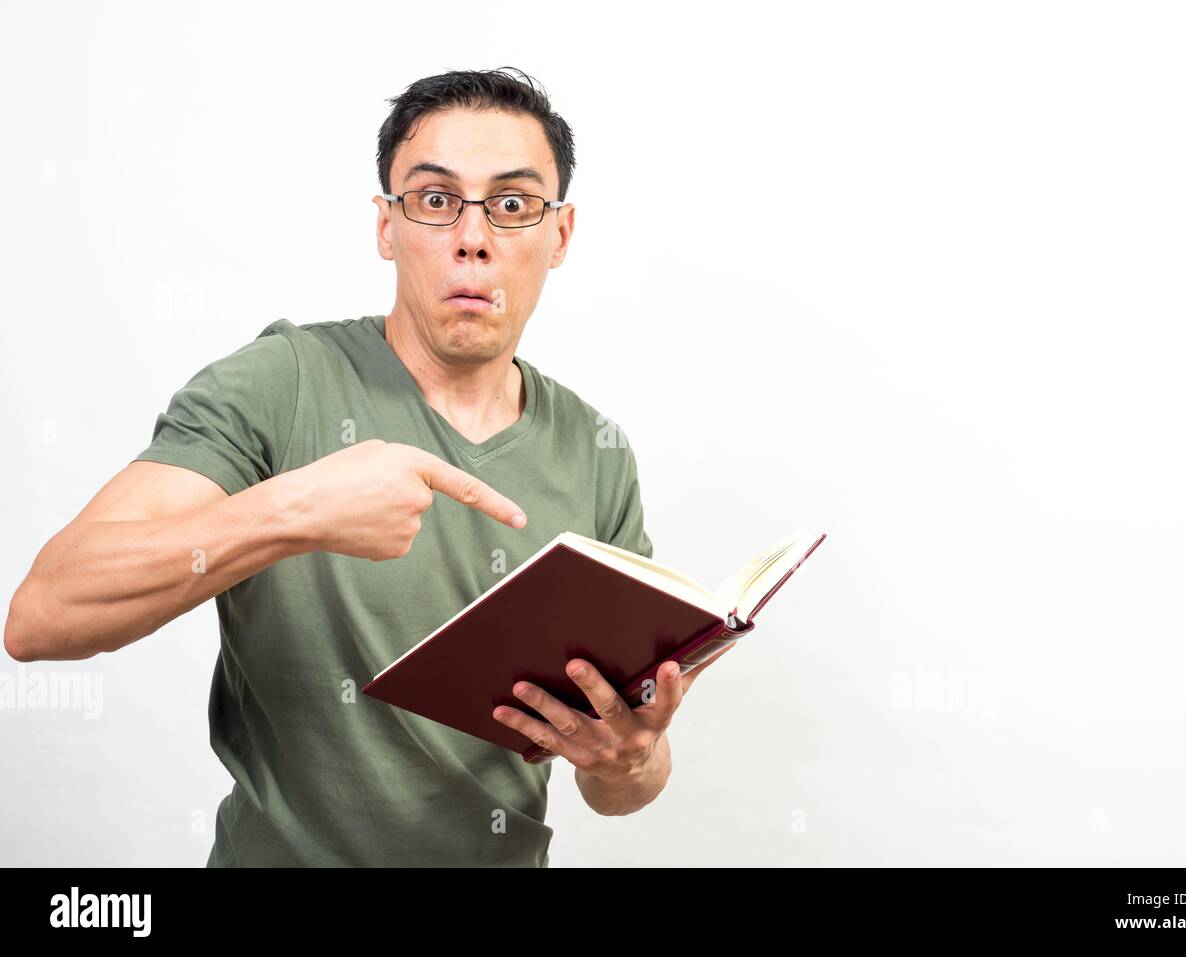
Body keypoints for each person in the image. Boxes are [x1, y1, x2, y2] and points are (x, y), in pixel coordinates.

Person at [3, 67, 730, 866]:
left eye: (514, 205)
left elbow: (623, 786)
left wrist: (629, 757)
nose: (473, 236)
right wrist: (294, 512)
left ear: (559, 236)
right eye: (435, 199)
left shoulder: (597, 450)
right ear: (387, 226)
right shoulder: (282, 381)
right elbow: (42, 616)